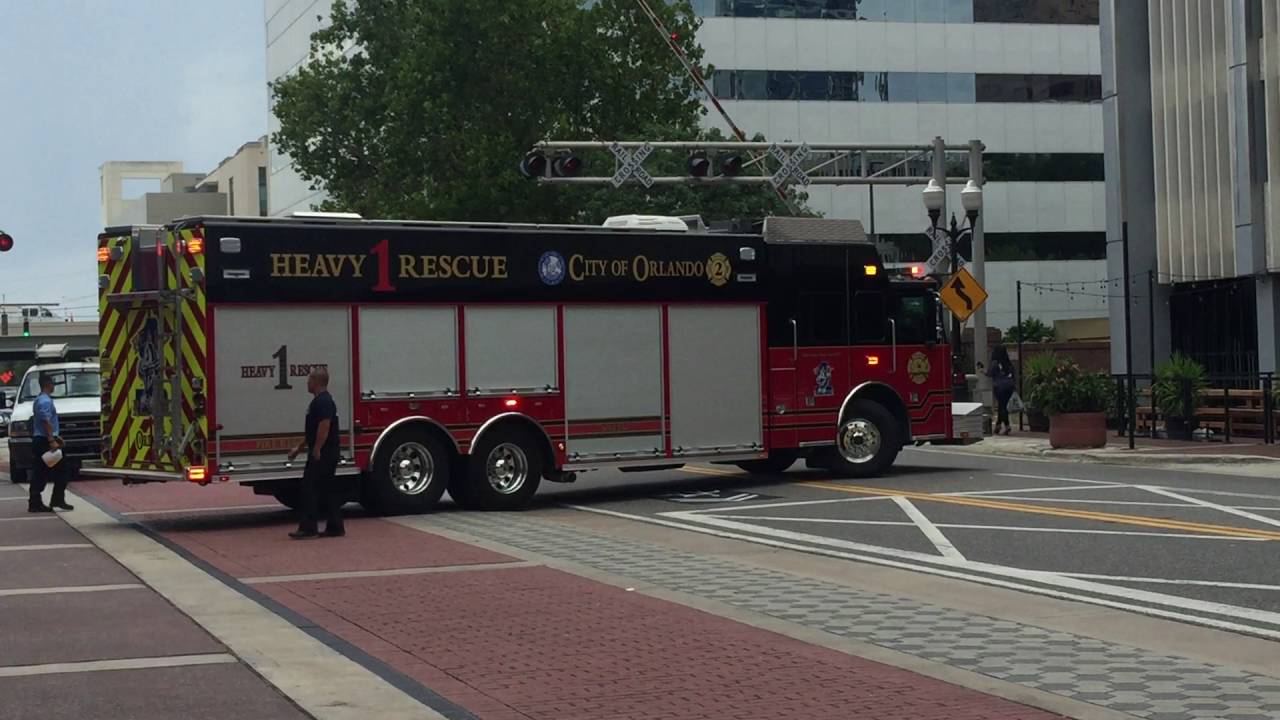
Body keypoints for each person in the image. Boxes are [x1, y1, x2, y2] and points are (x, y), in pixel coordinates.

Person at [287, 367, 344, 539]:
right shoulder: (320, 401)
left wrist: (317, 448)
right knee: (326, 489)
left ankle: (308, 528)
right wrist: (299, 447)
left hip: (324, 452)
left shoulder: (323, 402)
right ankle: (335, 527)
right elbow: (313, 430)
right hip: (324, 450)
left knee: (309, 488)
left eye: (309, 380)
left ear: (317, 381)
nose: (307, 383)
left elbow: (324, 426)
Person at [29, 374, 72, 513]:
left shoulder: (39, 400)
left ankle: (37, 501)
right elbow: (46, 421)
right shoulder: (45, 401)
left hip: (41, 439)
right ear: (47, 384)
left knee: (40, 471)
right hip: (44, 441)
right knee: (62, 469)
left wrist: (56, 436)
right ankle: (54, 499)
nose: (54, 386)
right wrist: (51, 440)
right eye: (52, 383)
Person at [988, 345, 1016, 436]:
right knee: (1002, 406)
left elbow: (990, 373)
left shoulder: (995, 363)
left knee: (1002, 406)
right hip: (1009, 387)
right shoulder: (1008, 363)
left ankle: (1007, 425)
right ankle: (998, 425)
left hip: (999, 387)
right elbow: (1013, 374)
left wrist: (982, 371)